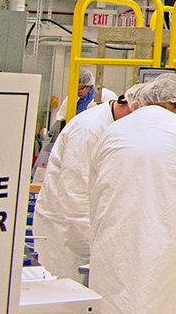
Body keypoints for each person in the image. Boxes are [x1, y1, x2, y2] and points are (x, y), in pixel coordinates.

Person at [88, 73, 176, 314]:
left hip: (112, 244)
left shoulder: (113, 131)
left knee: (112, 305)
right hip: (168, 248)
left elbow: (95, 190)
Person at [32, 83, 145, 282]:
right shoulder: (89, 130)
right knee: (69, 300)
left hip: (94, 233)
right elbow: (75, 195)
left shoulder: (119, 127)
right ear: (131, 105)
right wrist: (99, 245)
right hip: (68, 238)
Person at [54, 69, 119, 126]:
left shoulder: (107, 96)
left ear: (90, 86)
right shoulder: (71, 98)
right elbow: (61, 117)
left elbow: (114, 119)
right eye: (75, 88)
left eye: (80, 88)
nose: (77, 92)